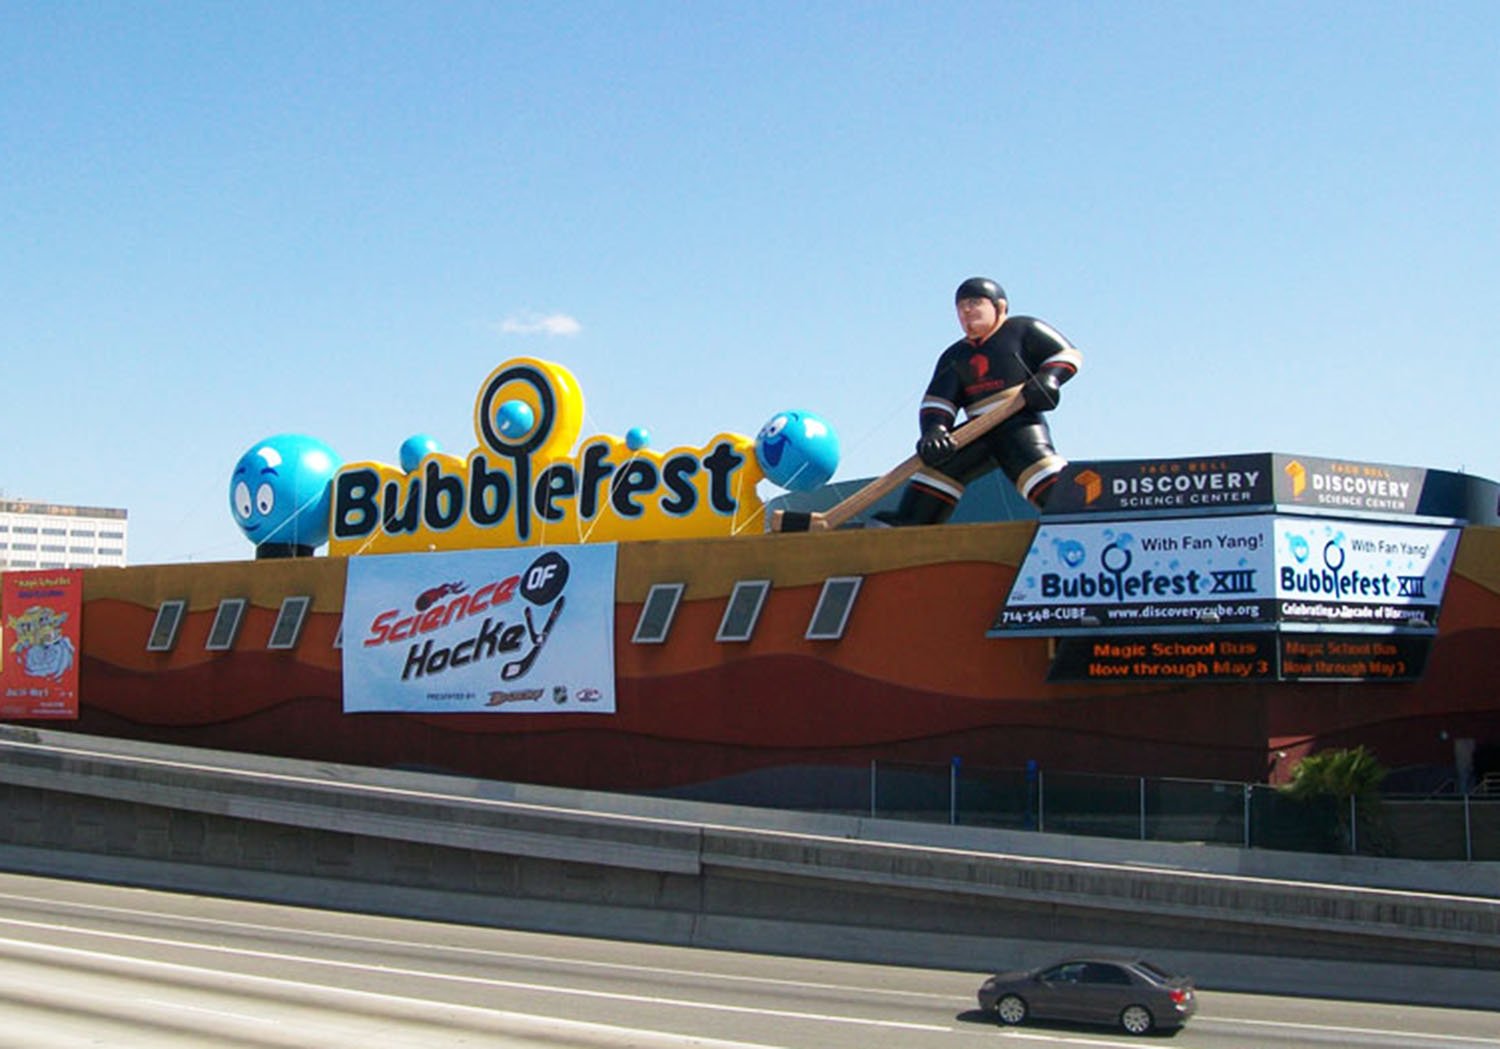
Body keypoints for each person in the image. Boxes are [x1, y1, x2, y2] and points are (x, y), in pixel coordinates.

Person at [874, 277, 1081, 525]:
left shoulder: (1022, 329)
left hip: (1017, 422)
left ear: (1000, 306)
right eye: (960, 307)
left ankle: (1079, 508)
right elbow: (938, 401)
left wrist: (1049, 378)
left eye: (974, 302)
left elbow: (1066, 353)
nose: (966, 311)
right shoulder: (954, 355)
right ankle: (910, 524)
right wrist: (935, 431)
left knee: (1037, 469)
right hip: (977, 430)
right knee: (938, 469)